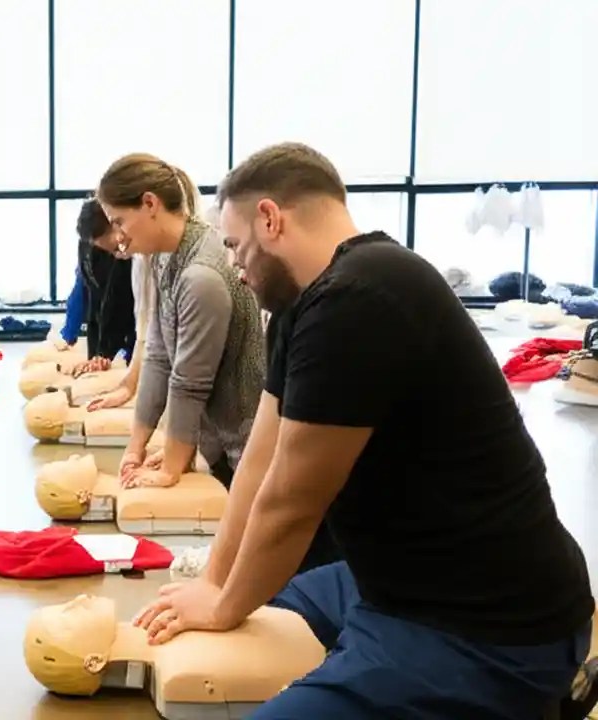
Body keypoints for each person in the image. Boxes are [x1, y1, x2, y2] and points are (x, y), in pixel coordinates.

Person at [133, 142, 594, 719]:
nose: (233, 264)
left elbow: (290, 504)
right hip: (391, 584)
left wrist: (225, 606)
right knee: (254, 598)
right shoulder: (308, 306)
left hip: (487, 628)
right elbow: (258, 461)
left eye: (234, 245)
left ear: (270, 218)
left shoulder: (359, 300)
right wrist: (217, 586)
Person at [95, 153, 266, 492]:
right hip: (215, 437)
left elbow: (190, 381)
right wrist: (136, 449)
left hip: (248, 445)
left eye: (119, 221)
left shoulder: (200, 275)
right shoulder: (164, 257)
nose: (118, 236)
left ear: (149, 203)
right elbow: (159, 356)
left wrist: (173, 464)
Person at [59, 199, 137, 376]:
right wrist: (96, 353)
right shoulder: (88, 244)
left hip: (133, 321)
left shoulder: (128, 252)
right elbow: (88, 292)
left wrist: (106, 352)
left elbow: (120, 300)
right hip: (105, 321)